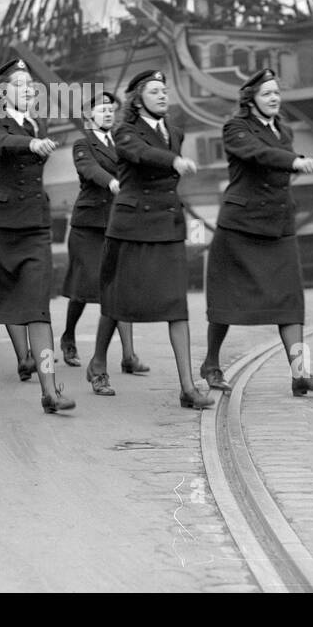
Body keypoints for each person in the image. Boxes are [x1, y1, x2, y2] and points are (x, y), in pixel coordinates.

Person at [203, 68, 313, 397]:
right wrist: (295, 161)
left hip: (278, 225)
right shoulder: (235, 128)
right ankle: (211, 363)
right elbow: (258, 154)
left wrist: (291, 160)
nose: (274, 98)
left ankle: (299, 373)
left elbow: (275, 156)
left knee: (290, 301)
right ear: (251, 100)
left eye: (276, 93)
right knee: (227, 301)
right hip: (240, 227)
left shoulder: (283, 130)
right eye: (267, 94)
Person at [99, 70, 212, 410]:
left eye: (165, 90)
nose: (163, 95)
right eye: (154, 91)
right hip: (132, 225)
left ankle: (188, 388)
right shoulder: (124, 131)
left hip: (167, 224)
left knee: (177, 305)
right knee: (119, 301)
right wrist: (174, 160)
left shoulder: (175, 132)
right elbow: (141, 154)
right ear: (137, 98)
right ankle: (97, 362)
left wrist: (175, 157)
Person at [0, 57, 74, 413]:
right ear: (2, 92)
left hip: (33, 228)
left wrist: (34, 139)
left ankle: (49, 390)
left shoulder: (36, 123)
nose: (29, 90)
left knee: (38, 311)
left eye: (32, 85)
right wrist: (30, 145)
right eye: (21, 85)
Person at [61, 90, 144, 394]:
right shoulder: (83, 143)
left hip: (117, 223)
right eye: (102, 109)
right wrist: (110, 181)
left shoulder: (123, 142)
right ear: (89, 116)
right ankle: (68, 336)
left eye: (111, 109)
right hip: (88, 226)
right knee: (86, 288)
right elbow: (89, 170)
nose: (108, 113)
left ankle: (128, 356)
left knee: (117, 290)